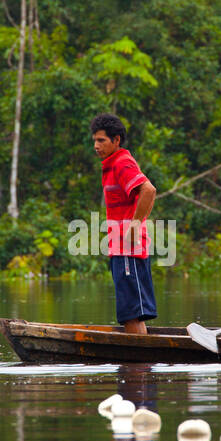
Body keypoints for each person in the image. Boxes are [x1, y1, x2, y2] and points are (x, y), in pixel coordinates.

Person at [91, 113, 157, 335]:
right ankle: (139, 365)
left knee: (131, 314)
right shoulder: (110, 166)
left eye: (101, 140)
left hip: (129, 249)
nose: (96, 145)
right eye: (94, 140)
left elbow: (148, 190)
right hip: (119, 249)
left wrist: (135, 226)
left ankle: (138, 367)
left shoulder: (122, 162)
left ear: (116, 140)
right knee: (131, 314)